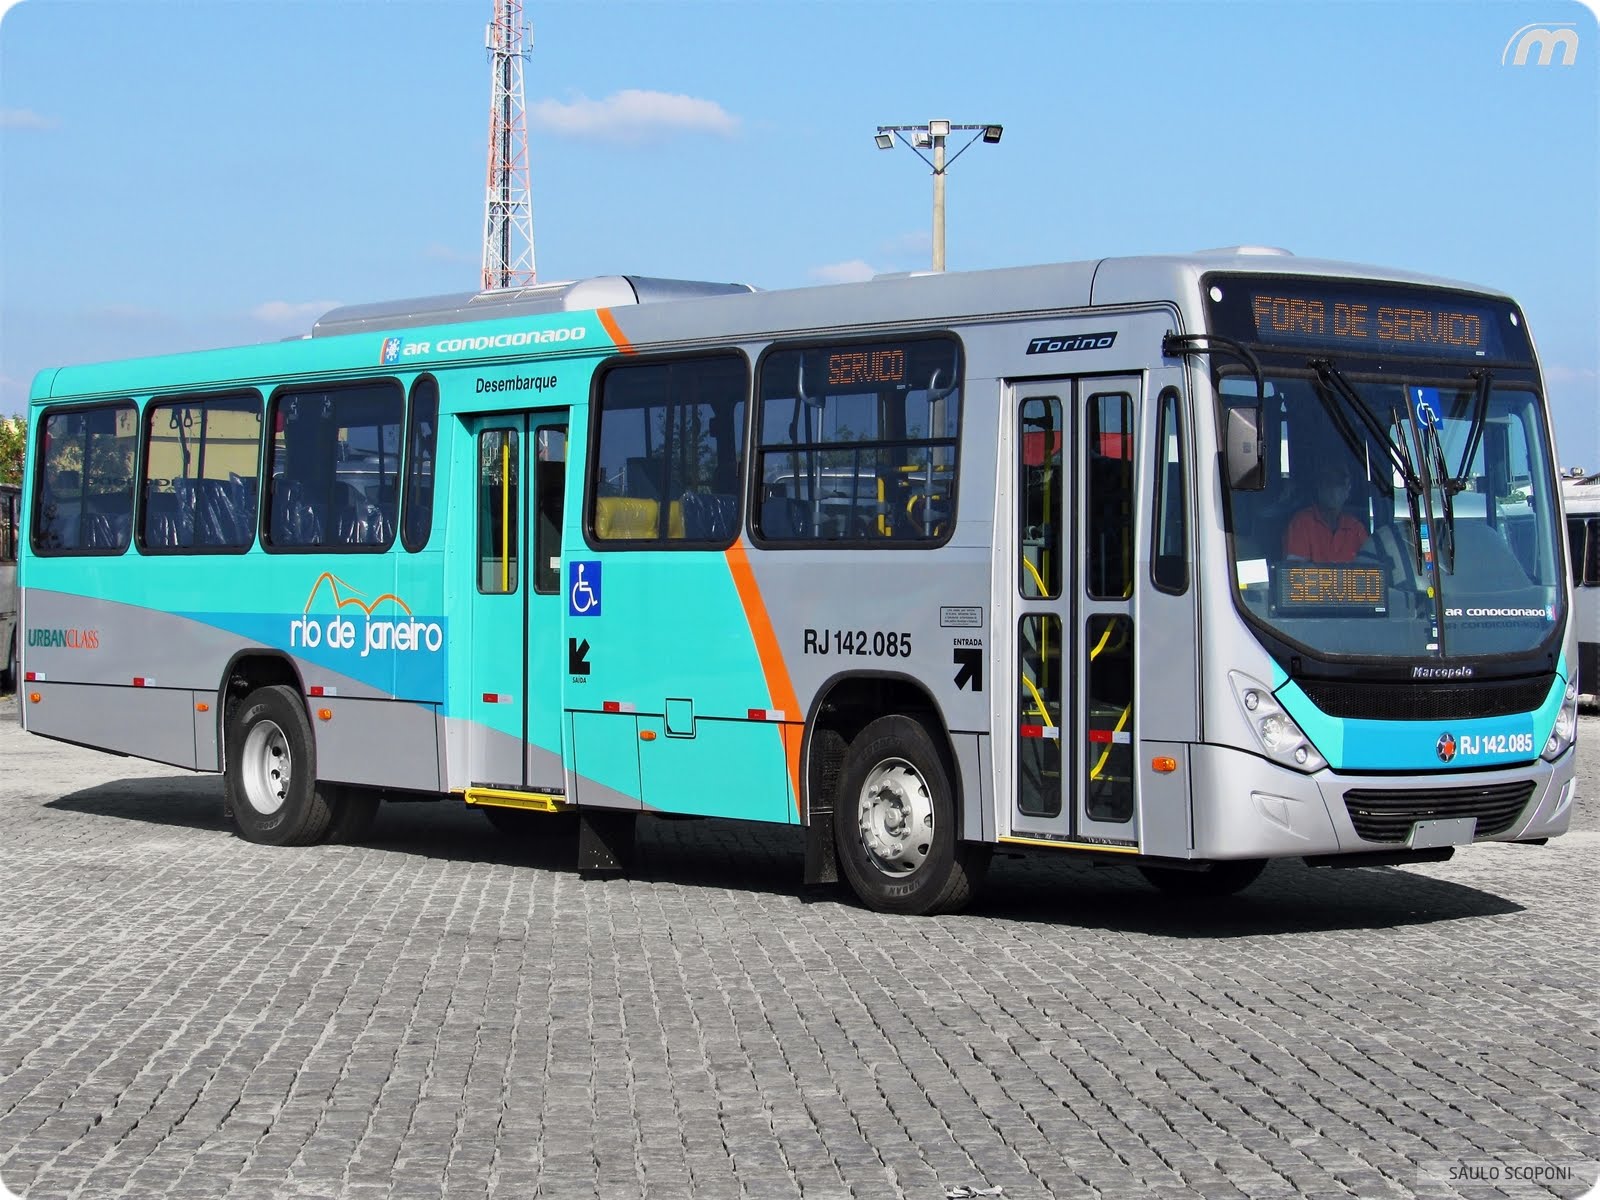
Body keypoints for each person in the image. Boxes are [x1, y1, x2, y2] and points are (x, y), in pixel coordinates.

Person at [1283, 461, 1369, 562]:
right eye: (1328, 481)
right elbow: (1296, 573)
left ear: (1347, 490)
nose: (1333, 489)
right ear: (1319, 487)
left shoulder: (1356, 528)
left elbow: (1370, 570)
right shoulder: (1301, 523)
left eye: (1339, 483)